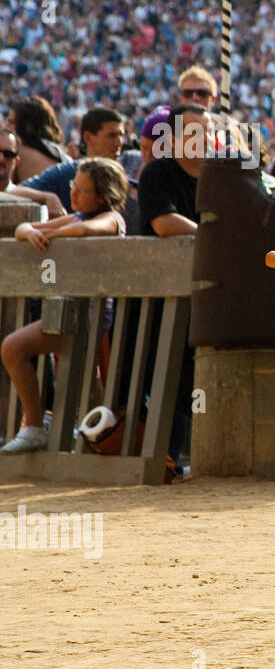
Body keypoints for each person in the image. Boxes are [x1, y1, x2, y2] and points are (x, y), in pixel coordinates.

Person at [1, 158, 129, 454]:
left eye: (83, 190)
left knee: (13, 348)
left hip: (88, 313)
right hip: (71, 308)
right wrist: (32, 232)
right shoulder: (77, 216)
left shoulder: (110, 218)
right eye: (73, 186)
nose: (73, 194)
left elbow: (89, 230)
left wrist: (52, 234)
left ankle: (34, 426)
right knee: (85, 377)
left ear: (103, 195)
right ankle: (99, 442)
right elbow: (23, 227)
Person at [139, 104, 206, 236]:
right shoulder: (156, 173)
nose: (205, 139)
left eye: (209, 132)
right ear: (174, 141)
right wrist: (210, 237)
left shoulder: (218, 176)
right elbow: (164, 223)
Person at [8, 95, 68, 183]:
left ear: (24, 125)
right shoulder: (60, 152)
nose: (7, 126)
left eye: (11, 122)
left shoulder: (17, 151)